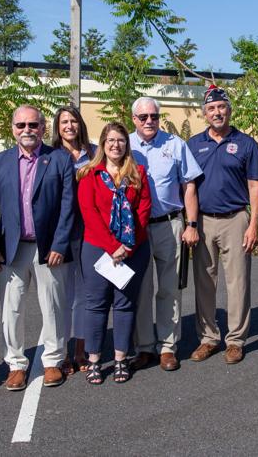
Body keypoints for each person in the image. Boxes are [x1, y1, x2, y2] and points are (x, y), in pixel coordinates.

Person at [0, 104, 75, 391]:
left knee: (53, 306)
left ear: (43, 128)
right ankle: (15, 364)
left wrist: (60, 244)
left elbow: (68, 207)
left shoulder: (60, 159)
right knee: (11, 308)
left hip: (49, 248)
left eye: (33, 125)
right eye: (21, 125)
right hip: (11, 249)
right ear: (12, 129)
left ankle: (53, 360)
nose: (27, 130)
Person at [187, 85, 258, 364]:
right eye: (211, 108)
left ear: (229, 110)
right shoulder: (193, 145)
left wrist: (253, 225)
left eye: (221, 107)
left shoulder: (246, 144)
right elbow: (188, 187)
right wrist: (190, 223)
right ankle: (208, 338)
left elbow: (255, 186)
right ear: (204, 113)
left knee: (238, 282)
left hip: (236, 219)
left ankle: (235, 340)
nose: (217, 112)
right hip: (203, 221)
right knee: (204, 282)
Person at [129, 97, 202, 372]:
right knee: (141, 289)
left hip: (169, 224)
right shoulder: (124, 144)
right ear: (134, 119)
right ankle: (144, 347)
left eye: (154, 116)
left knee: (170, 288)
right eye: (143, 117)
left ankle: (168, 346)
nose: (150, 121)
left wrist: (191, 224)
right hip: (136, 228)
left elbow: (189, 186)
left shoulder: (175, 144)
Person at [77, 123, 152, 384]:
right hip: (98, 248)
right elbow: (89, 214)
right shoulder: (90, 174)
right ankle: (94, 360)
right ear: (102, 144)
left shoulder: (138, 173)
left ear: (126, 144)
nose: (115, 145)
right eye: (110, 140)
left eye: (120, 140)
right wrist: (112, 246)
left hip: (133, 249)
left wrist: (128, 245)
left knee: (125, 303)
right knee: (96, 304)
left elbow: (144, 210)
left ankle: (120, 358)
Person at [50, 105, 96, 375]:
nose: (69, 126)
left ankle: (80, 349)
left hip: (89, 232)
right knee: (61, 296)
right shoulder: (49, 155)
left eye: (74, 121)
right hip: (61, 233)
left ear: (81, 124)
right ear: (57, 127)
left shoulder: (94, 153)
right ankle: (62, 351)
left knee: (84, 294)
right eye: (64, 122)